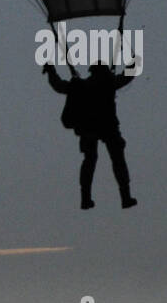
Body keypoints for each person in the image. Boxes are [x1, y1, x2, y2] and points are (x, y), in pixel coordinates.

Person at [43, 60, 137, 209]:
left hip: (89, 128)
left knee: (90, 160)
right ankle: (124, 196)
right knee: (117, 159)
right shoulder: (108, 83)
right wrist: (133, 63)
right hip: (107, 127)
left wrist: (51, 71)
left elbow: (59, 86)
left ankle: (86, 198)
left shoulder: (80, 86)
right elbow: (128, 76)